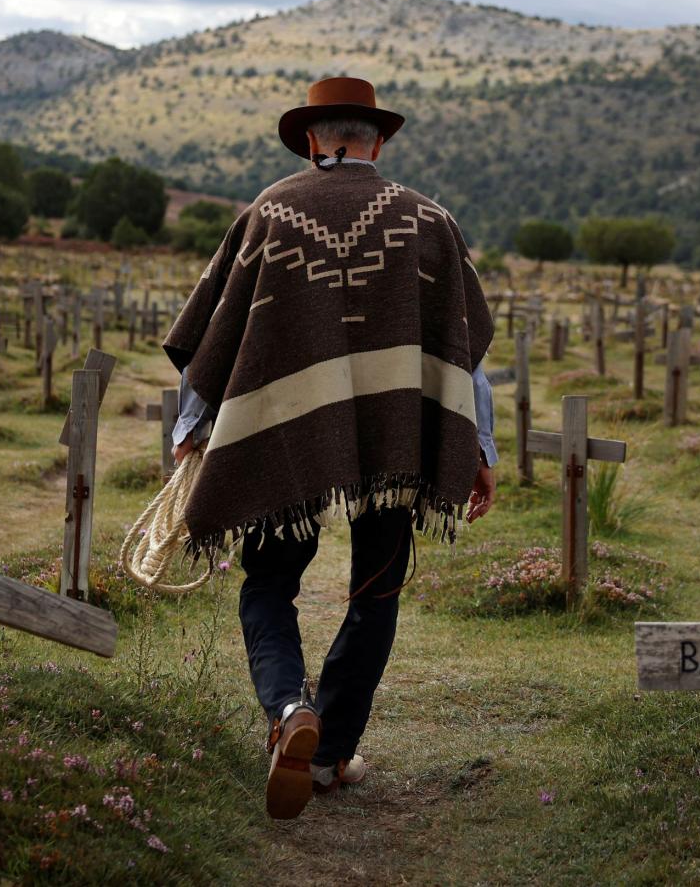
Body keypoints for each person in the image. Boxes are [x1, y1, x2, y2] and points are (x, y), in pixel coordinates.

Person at [162, 76, 498, 820]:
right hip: (398, 433)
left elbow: (216, 336)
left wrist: (191, 432)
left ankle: (289, 711)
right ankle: (331, 752)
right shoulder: (431, 221)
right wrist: (480, 448)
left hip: (285, 432)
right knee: (377, 588)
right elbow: (465, 351)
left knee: (268, 580)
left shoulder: (266, 214)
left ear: (312, 139)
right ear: (378, 142)